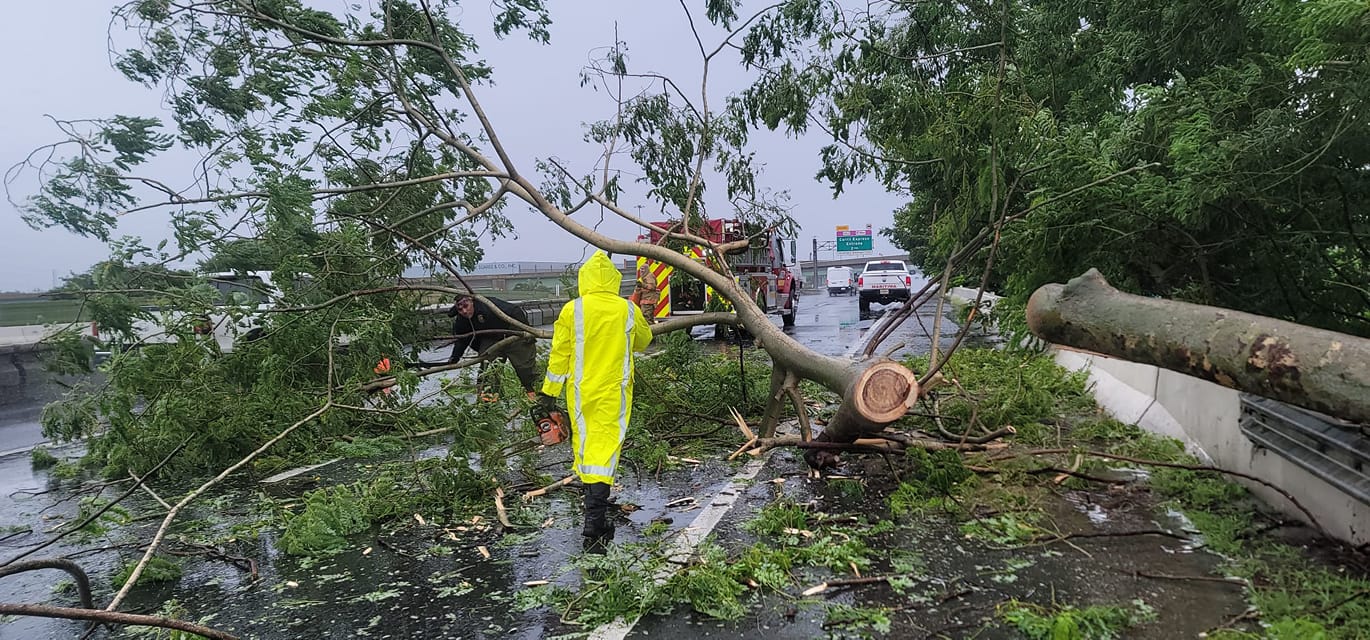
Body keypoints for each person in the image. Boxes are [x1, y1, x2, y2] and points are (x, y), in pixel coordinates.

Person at [538, 251, 653, 553]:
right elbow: (644, 341)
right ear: (613, 280)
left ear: (584, 279)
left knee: (587, 447)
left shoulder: (572, 310)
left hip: (580, 392)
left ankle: (594, 512)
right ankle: (595, 518)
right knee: (606, 449)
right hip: (614, 391)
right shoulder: (627, 310)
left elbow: (559, 354)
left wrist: (548, 392)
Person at [448, 294, 540, 402]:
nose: (464, 311)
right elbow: (462, 341)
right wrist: (454, 358)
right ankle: (488, 401)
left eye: (466, 306)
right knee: (488, 368)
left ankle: (535, 394)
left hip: (513, 333)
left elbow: (515, 311)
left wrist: (525, 332)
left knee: (524, 367)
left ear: (472, 302)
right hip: (491, 339)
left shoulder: (489, 304)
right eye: (460, 309)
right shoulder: (461, 320)